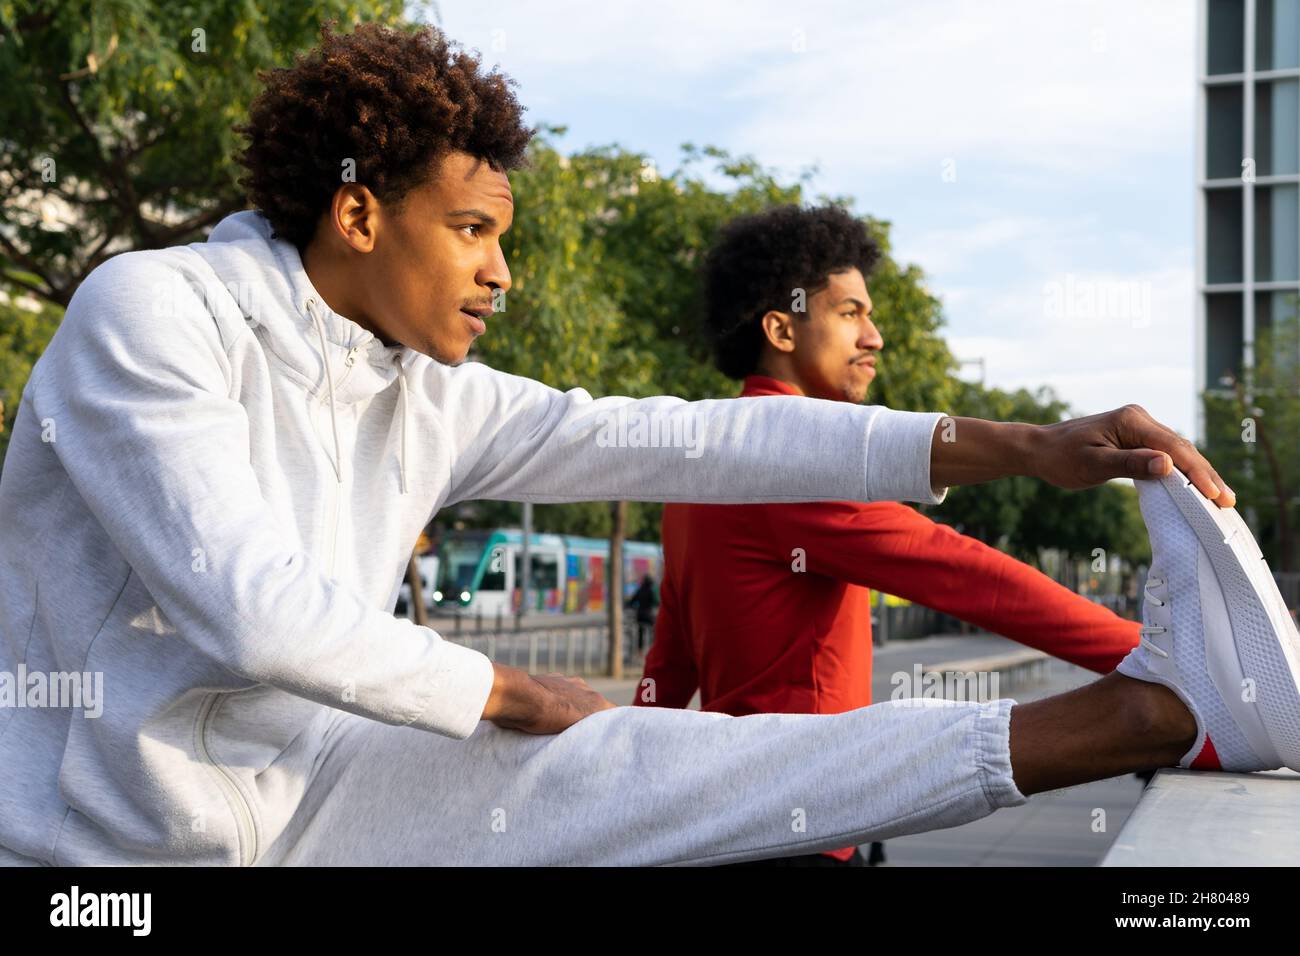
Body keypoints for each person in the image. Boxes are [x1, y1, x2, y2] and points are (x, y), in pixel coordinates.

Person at [1, 23, 1295, 868]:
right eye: (472, 231)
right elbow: (249, 609)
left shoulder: (422, 390)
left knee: (656, 760)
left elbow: (685, 439)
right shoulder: (152, 312)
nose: (502, 272)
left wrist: (1031, 445)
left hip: (301, 799)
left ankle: (1151, 714)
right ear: (356, 214)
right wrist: (514, 692)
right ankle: (1150, 705)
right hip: (93, 857)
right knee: (582, 734)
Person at [633, 205, 1144, 867]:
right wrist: (1154, 660)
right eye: (850, 314)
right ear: (781, 329)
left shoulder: (697, 465)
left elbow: (670, 665)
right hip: (802, 820)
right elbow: (961, 572)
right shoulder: (789, 455)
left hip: (720, 819)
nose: (873, 337)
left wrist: (625, 792)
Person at [626, 574, 659, 656]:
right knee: (654, 629)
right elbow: (656, 602)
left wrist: (634, 607)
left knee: (640, 632)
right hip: (648, 615)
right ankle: (653, 647)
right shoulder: (651, 591)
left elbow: (631, 602)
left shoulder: (639, 590)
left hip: (639, 615)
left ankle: (639, 650)